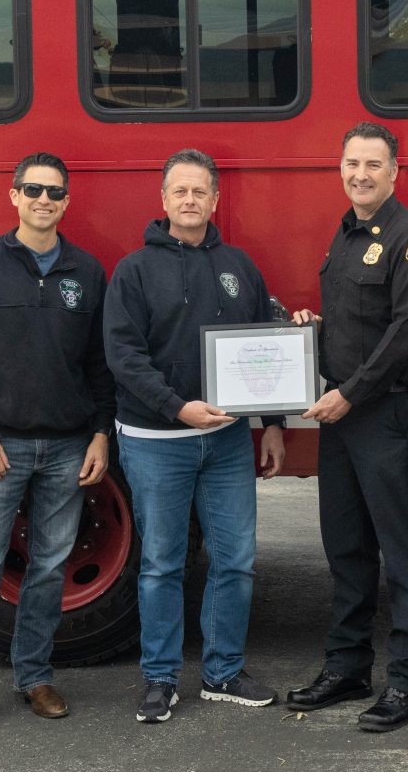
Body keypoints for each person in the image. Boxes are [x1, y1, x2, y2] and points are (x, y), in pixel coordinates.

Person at [105, 148, 287, 724]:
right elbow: (124, 358)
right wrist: (177, 408)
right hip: (156, 441)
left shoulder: (239, 266)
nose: (190, 201)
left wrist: (274, 426)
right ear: (163, 201)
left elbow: (266, 349)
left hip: (229, 443)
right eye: (179, 191)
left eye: (200, 192)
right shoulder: (134, 271)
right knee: (161, 562)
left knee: (236, 559)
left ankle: (223, 671)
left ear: (215, 199)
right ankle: (159, 679)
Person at [0, 153, 115, 737]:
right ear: (13, 196)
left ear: (66, 203)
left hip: (68, 446)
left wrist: (99, 433)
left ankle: (35, 677)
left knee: (47, 572)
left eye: (55, 193)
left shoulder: (87, 272)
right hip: (1, 448)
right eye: (33, 190)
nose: (44, 200)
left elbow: (100, 364)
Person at [285, 122, 408, 732]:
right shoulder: (346, 233)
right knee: (346, 547)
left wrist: (348, 392)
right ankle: (347, 665)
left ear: (395, 171)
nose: (360, 174)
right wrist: (315, 329)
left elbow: (407, 334)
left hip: (385, 415)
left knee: (404, 553)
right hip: (344, 417)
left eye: (373, 165)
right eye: (351, 163)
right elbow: (361, 322)